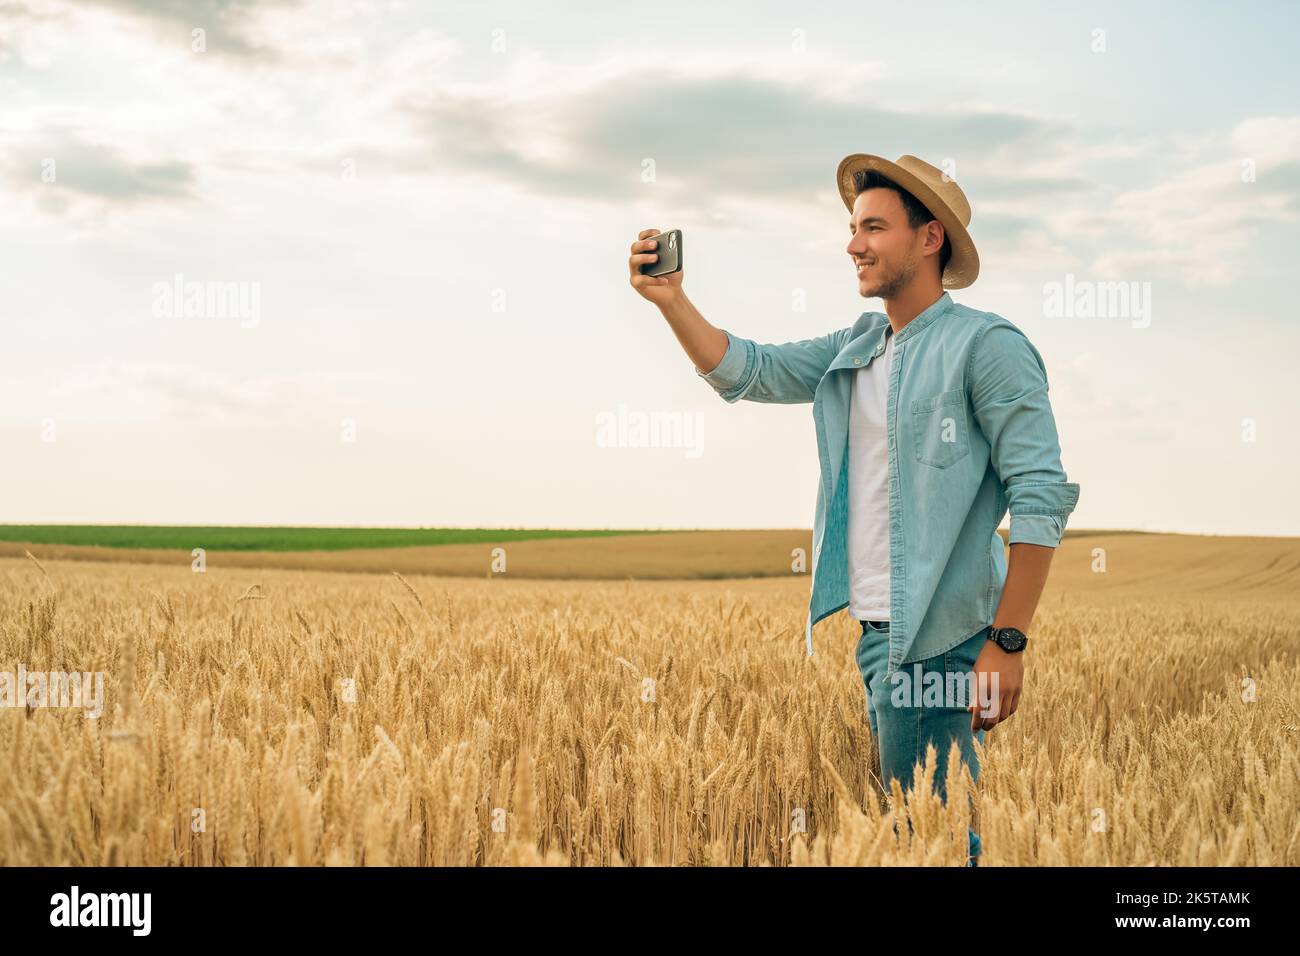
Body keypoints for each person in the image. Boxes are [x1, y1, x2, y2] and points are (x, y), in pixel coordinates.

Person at [627, 153, 1080, 867]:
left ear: (930, 239)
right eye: (851, 228)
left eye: (873, 227)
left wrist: (1009, 641)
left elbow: (1041, 494)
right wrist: (671, 300)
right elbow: (746, 370)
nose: (853, 245)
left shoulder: (986, 347)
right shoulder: (859, 346)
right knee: (923, 837)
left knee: (928, 843)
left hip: (942, 637)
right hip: (877, 638)